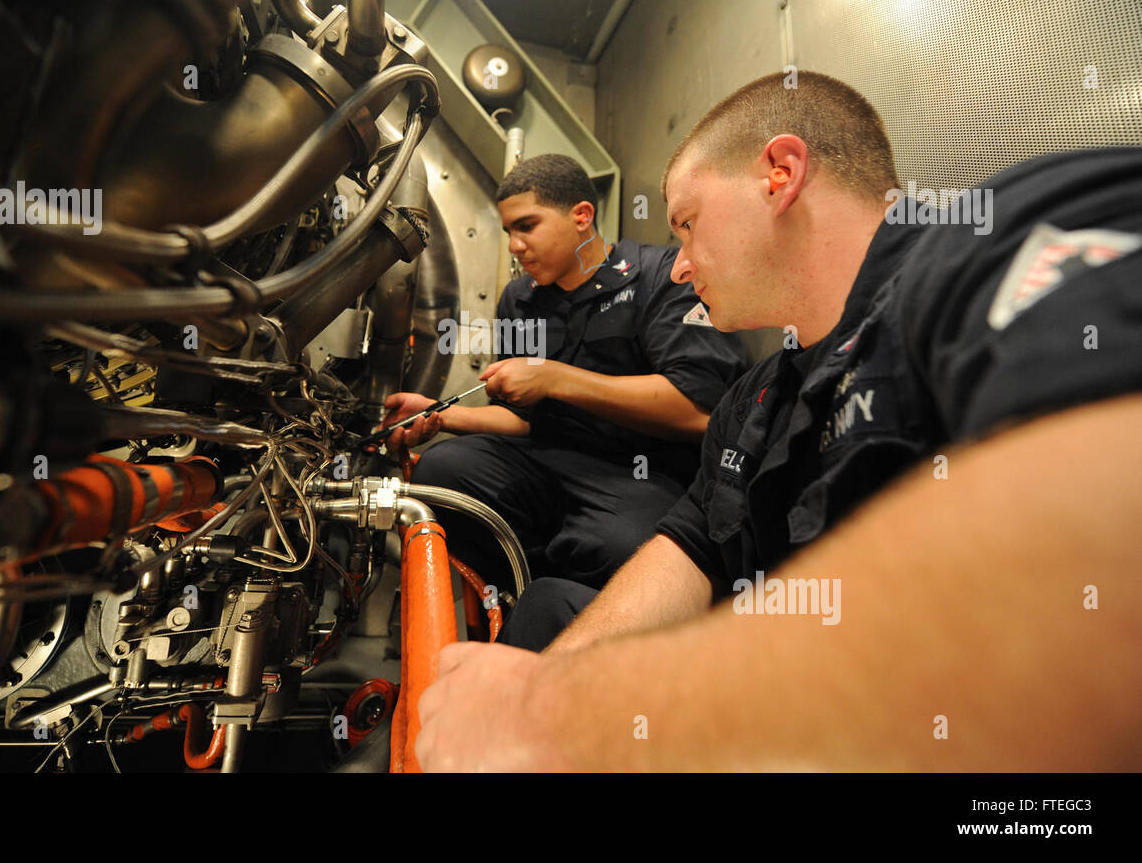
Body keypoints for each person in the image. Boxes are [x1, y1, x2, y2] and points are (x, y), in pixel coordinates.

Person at [413, 72, 1142, 770]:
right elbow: (690, 548)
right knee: (547, 608)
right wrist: (528, 691)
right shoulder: (756, 401)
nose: (678, 266)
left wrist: (555, 719)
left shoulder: (993, 240)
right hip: (770, 691)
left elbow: (1097, 558)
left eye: (689, 224)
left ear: (780, 174)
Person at [381, 153, 748, 590]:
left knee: (626, 545)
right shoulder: (520, 300)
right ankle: (517, 595)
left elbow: (698, 410)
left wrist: (555, 378)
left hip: (640, 474)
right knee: (442, 473)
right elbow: (522, 418)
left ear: (581, 216)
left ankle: (572, 615)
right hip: (545, 462)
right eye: (508, 232)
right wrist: (439, 414)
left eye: (527, 226)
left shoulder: (660, 278)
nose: (515, 245)